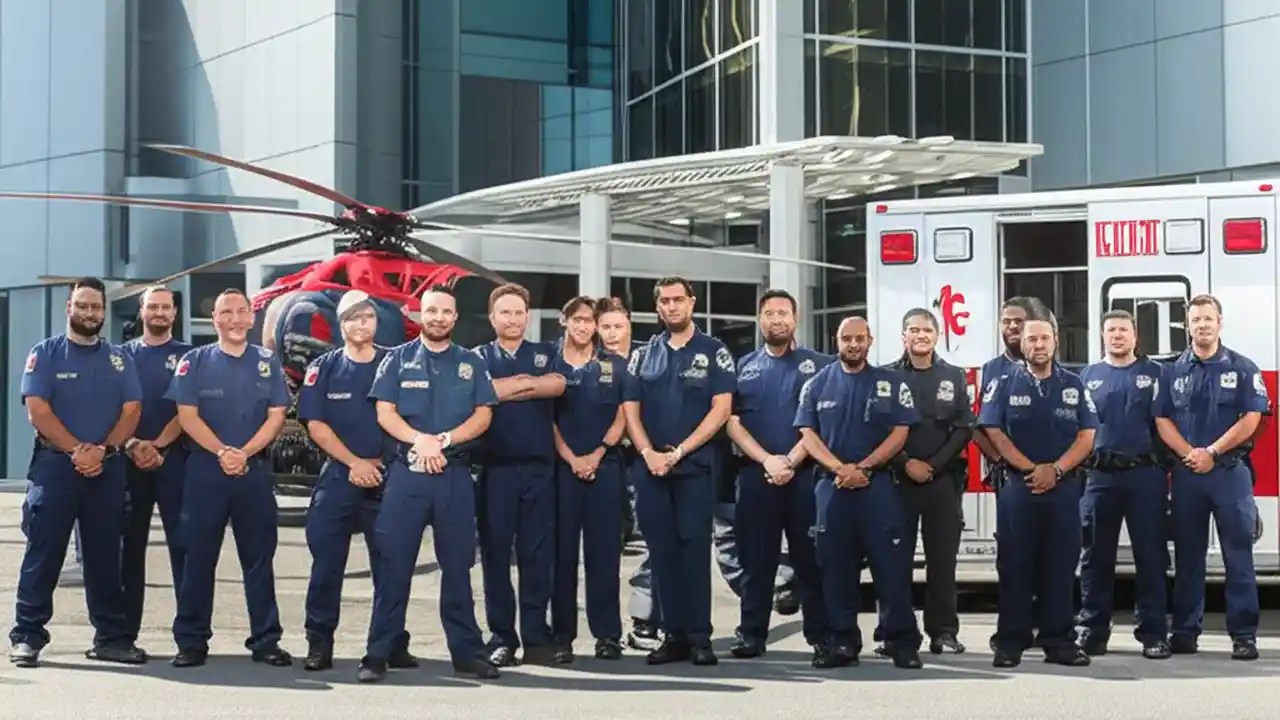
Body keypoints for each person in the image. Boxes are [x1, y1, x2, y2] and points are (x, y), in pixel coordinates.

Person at [360, 284, 500, 682]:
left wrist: (444, 440)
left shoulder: (471, 364)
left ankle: (468, 654)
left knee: (457, 568)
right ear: (419, 316)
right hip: (408, 477)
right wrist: (419, 441)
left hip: (453, 476)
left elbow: (483, 416)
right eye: (431, 311)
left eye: (446, 312)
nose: (438, 318)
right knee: (394, 567)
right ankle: (377, 653)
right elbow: (385, 413)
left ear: (455, 318)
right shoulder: (397, 361)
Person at [9, 277, 147, 668]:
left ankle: (111, 638)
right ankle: (27, 636)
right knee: (44, 551)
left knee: (106, 556)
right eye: (82, 305)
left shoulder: (120, 358)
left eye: (96, 307)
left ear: (103, 311)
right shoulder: (46, 354)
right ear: (69, 307)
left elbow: (132, 410)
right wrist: (77, 450)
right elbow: (38, 409)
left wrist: (102, 451)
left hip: (107, 466)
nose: (90, 313)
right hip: (55, 466)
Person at [165, 288, 292, 668]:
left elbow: (276, 415)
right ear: (215, 319)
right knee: (198, 559)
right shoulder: (194, 362)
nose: (235, 319)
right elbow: (187, 417)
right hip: (206, 471)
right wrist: (223, 452)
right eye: (226, 312)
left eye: (242, 312)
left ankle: (266, 640)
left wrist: (244, 453)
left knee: (258, 558)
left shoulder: (268, 362)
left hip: (252, 472)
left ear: (252, 318)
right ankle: (191, 641)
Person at [296, 290, 417, 671]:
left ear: (376, 322)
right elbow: (315, 423)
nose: (361, 324)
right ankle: (319, 644)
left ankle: (390, 643)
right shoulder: (324, 367)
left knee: (391, 566)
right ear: (341, 324)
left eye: (367, 317)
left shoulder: (395, 363)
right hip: (340, 475)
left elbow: (409, 419)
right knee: (327, 564)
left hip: (388, 476)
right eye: (352, 318)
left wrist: (378, 465)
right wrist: (353, 463)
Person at [795, 316, 923, 670]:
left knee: (891, 568)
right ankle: (842, 641)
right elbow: (807, 433)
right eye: (846, 338)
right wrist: (841, 469)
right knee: (835, 569)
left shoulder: (891, 383)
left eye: (859, 338)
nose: (853, 344)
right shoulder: (817, 385)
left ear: (871, 341)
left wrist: (864, 468)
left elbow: (900, 433)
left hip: (878, 487)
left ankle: (901, 642)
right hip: (831, 487)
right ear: (836, 340)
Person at [622, 276, 734, 665]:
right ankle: (673, 636)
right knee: (662, 553)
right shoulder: (642, 355)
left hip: (695, 469)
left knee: (693, 552)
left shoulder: (714, 351)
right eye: (664, 302)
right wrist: (649, 452)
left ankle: (699, 637)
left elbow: (721, 410)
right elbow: (630, 411)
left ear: (692, 302)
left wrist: (680, 451)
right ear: (657, 308)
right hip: (651, 471)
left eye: (678, 300)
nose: (671, 307)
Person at [978, 312, 1094, 668]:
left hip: (1062, 487)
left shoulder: (1074, 384)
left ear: (1055, 340)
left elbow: (1087, 435)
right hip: (1019, 486)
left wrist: (1056, 470)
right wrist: (1031, 469)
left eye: (1044, 338)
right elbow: (993, 431)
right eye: (1031, 339)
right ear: (1021, 343)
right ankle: (1011, 642)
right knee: (1015, 565)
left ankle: (1059, 641)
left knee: (1060, 565)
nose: (1038, 345)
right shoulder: (1004, 382)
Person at [1154, 294, 1267, 661]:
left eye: (1208, 318)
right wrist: (1190, 454)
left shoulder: (1243, 367)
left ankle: (1244, 635)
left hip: (1229, 473)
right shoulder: (1171, 371)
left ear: (1220, 322)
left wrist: (1212, 452)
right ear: (1186, 325)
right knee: (1188, 556)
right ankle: (1185, 632)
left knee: (1239, 556)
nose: (1202, 325)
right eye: (1195, 319)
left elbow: (1252, 418)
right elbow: (1162, 419)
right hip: (1188, 475)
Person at [724, 289, 830, 662]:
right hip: (757, 477)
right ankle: (752, 635)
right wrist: (769, 460)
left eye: (783, 313)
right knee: (756, 564)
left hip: (805, 478)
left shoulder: (819, 366)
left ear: (795, 318)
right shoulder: (743, 367)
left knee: (811, 562)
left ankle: (821, 638)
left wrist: (792, 459)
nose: (776, 320)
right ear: (760, 320)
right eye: (769, 313)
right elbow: (732, 423)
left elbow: (821, 420)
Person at [473, 283, 566, 666]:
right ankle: (502, 637)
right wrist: (528, 386)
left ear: (528, 317)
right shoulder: (477, 357)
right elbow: (477, 390)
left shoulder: (547, 353)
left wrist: (504, 390)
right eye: (505, 313)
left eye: (519, 312)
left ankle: (535, 637)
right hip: (495, 472)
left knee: (537, 555)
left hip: (540, 472)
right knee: (495, 556)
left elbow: (558, 385)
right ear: (492, 318)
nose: (513, 319)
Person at [1076, 309, 1171, 659]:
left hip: (1146, 476)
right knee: (1095, 556)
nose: (1117, 335)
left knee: (1151, 556)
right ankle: (1092, 629)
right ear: (1103, 335)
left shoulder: (1157, 374)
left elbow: (1168, 424)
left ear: (1136, 336)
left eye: (1124, 330)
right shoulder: (1087, 376)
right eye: (1111, 329)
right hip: (1099, 477)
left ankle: (1153, 633)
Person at [879, 308, 973, 655]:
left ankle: (943, 632)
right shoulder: (885, 376)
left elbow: (964, 428)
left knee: (943, 561)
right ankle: (894, 633)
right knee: (893, 561)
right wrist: (906, 464)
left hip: (941, 482)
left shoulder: (954, 376)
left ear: (938, 335)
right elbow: (881, 428)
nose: (920, 336)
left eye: (927, 330)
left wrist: (932, 465)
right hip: (897, 481)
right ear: (903, 336)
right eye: (913, 330)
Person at [549, 296, 629, 661]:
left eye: (590, 321)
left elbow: (623, 416)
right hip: (561, 470)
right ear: (564, 321)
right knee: (561, 555)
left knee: (604, 555)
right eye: (577, 320)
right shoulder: (549, 362)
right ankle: (561, 636)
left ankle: (608, 635)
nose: (584, 327)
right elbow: (545, 417)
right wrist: (570, 457)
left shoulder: (614, 365)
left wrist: (596, 454)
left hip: (605, 468)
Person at [119, 286, 191, 652]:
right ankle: (123, 635)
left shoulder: (191, 356)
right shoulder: (120, 356)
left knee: (184, 547)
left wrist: (158, 444)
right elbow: (112, 407)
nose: (159, 312)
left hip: (174, 461)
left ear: (175, 313)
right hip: (127, 461)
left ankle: (189, 639)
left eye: (166, 307)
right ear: (141, 311)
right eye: (153, 307)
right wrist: (132, 444)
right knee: (128, 550)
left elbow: (188, 410)